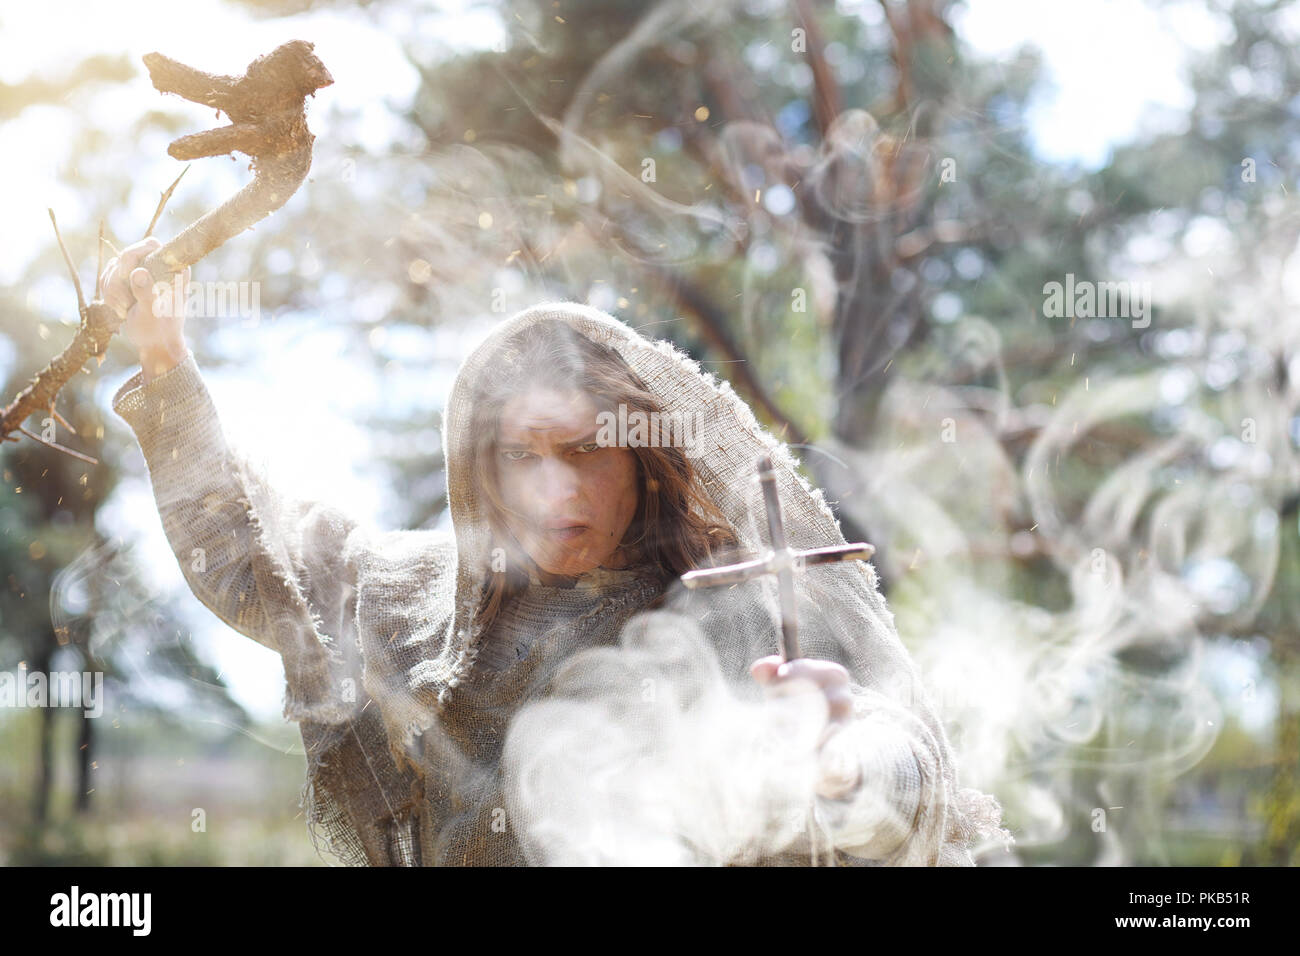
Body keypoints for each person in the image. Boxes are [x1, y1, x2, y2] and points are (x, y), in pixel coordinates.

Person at [101, 237, 1008, 866]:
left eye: (583, 452)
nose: (553, 492)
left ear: (644, 455)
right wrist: (167, 360)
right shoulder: (417, 607)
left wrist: (845, 764)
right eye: (522, 454)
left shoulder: (740, 608)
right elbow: (257, 560)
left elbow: (908, 788)